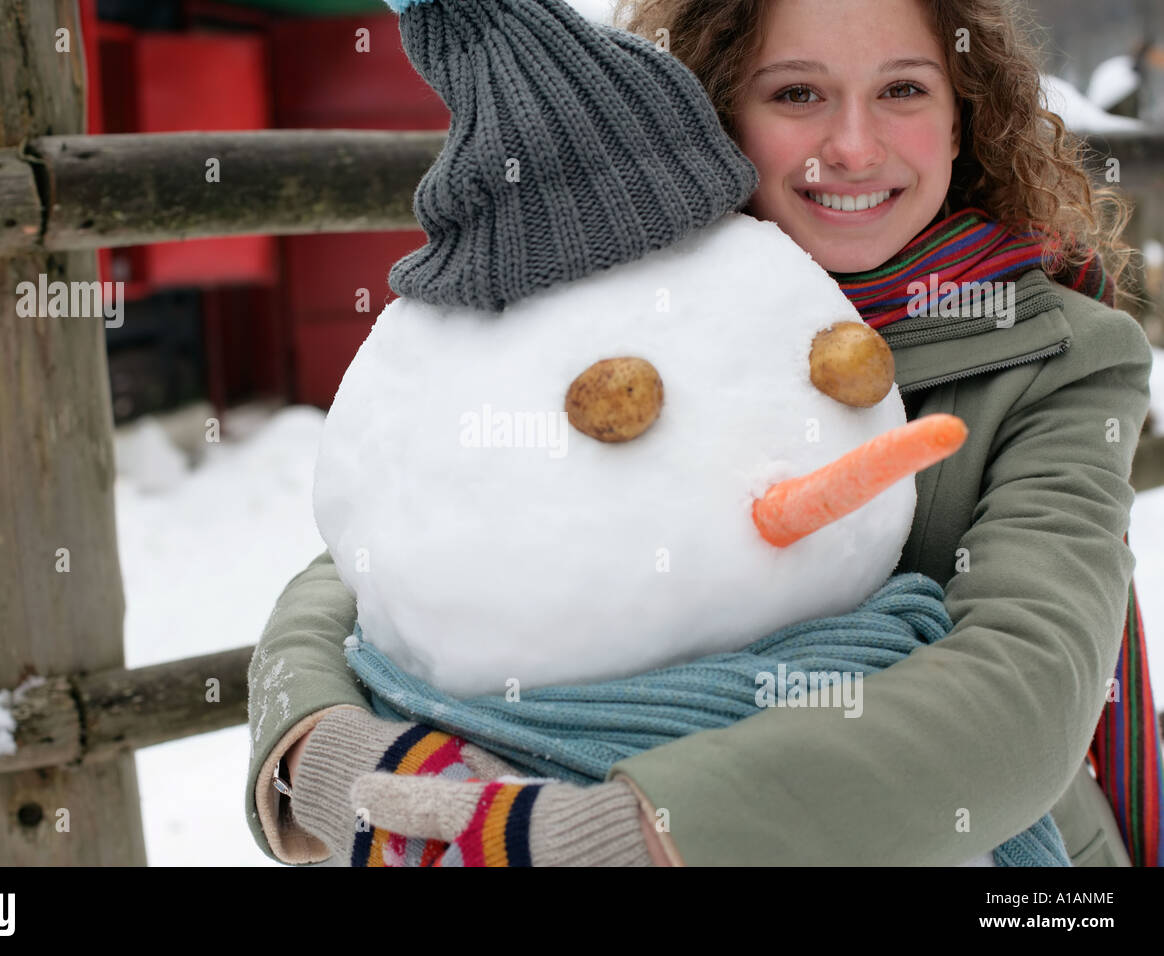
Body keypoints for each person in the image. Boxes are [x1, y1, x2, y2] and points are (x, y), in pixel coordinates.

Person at [244, 0, 1158, 867]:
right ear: (723, 109)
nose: (851, 145)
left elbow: (1028, 687)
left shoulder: (1068, 355)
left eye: (903, 90)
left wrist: (644, 829)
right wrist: (317, 743)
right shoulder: (644, 298)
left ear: (963, 118)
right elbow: (378, 548)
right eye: (797, 93)